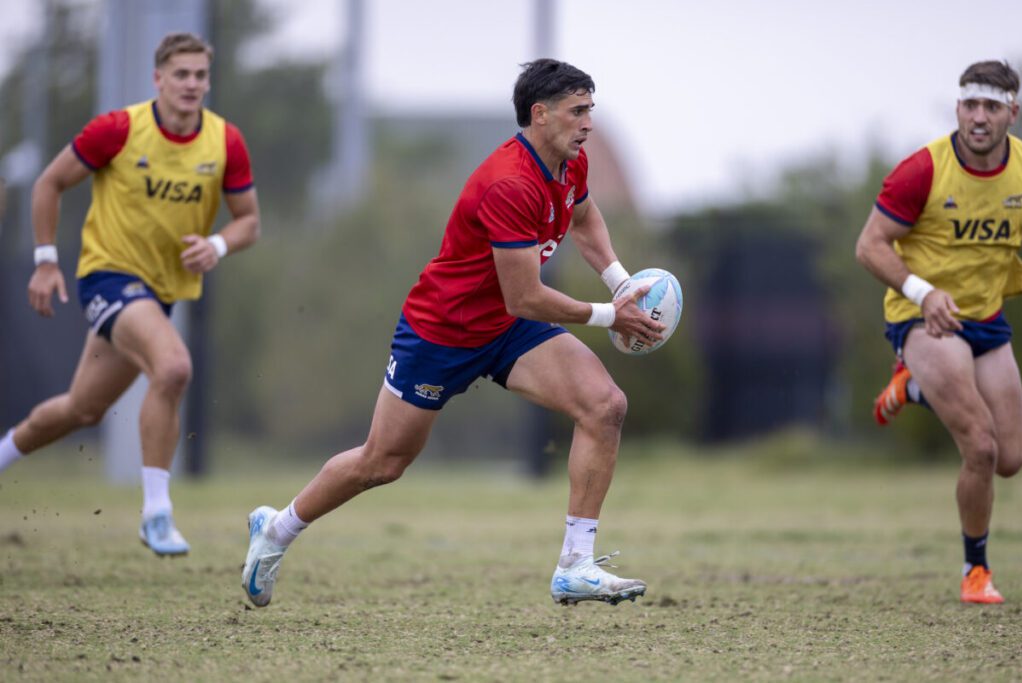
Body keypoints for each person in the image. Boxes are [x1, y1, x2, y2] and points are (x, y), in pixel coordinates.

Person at [241, 58, 663, 608]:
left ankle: (575, 565)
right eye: (576, 111)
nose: (587, 123)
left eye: (591, 110)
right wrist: (612, 315)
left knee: (604, 405)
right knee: (382, 463)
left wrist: (622, 283)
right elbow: (526, 296)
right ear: (540, 115)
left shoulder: (571, 164)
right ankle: (276, 532)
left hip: (508, 330)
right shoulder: (510, 184)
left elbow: (584, 222)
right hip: (443, 331)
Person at [0, 33, 260, 556]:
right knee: (174, 367)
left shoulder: (224, 141)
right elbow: (48, 183)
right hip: (108, 276)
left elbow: (249, 222)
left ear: (208, 82)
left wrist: (216, 244)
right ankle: (157, 514)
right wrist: (46, 262)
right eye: (180, 74)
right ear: (158, 79)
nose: (191, 84)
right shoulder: (119, 129)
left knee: (82, 408)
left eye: (199, 75)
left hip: (158, 292)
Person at [855, 60, 1022, 604]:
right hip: (923, 318)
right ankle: (976, 572)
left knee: (1009, 459)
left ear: (1011, 114)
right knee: (979, 444)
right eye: (970, 105)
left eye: (991, 107)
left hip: (987, 319)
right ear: (958, 108)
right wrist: (923, 293)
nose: (979, 117)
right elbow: (869, 246)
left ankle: (912, 387)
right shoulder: (923, 169)